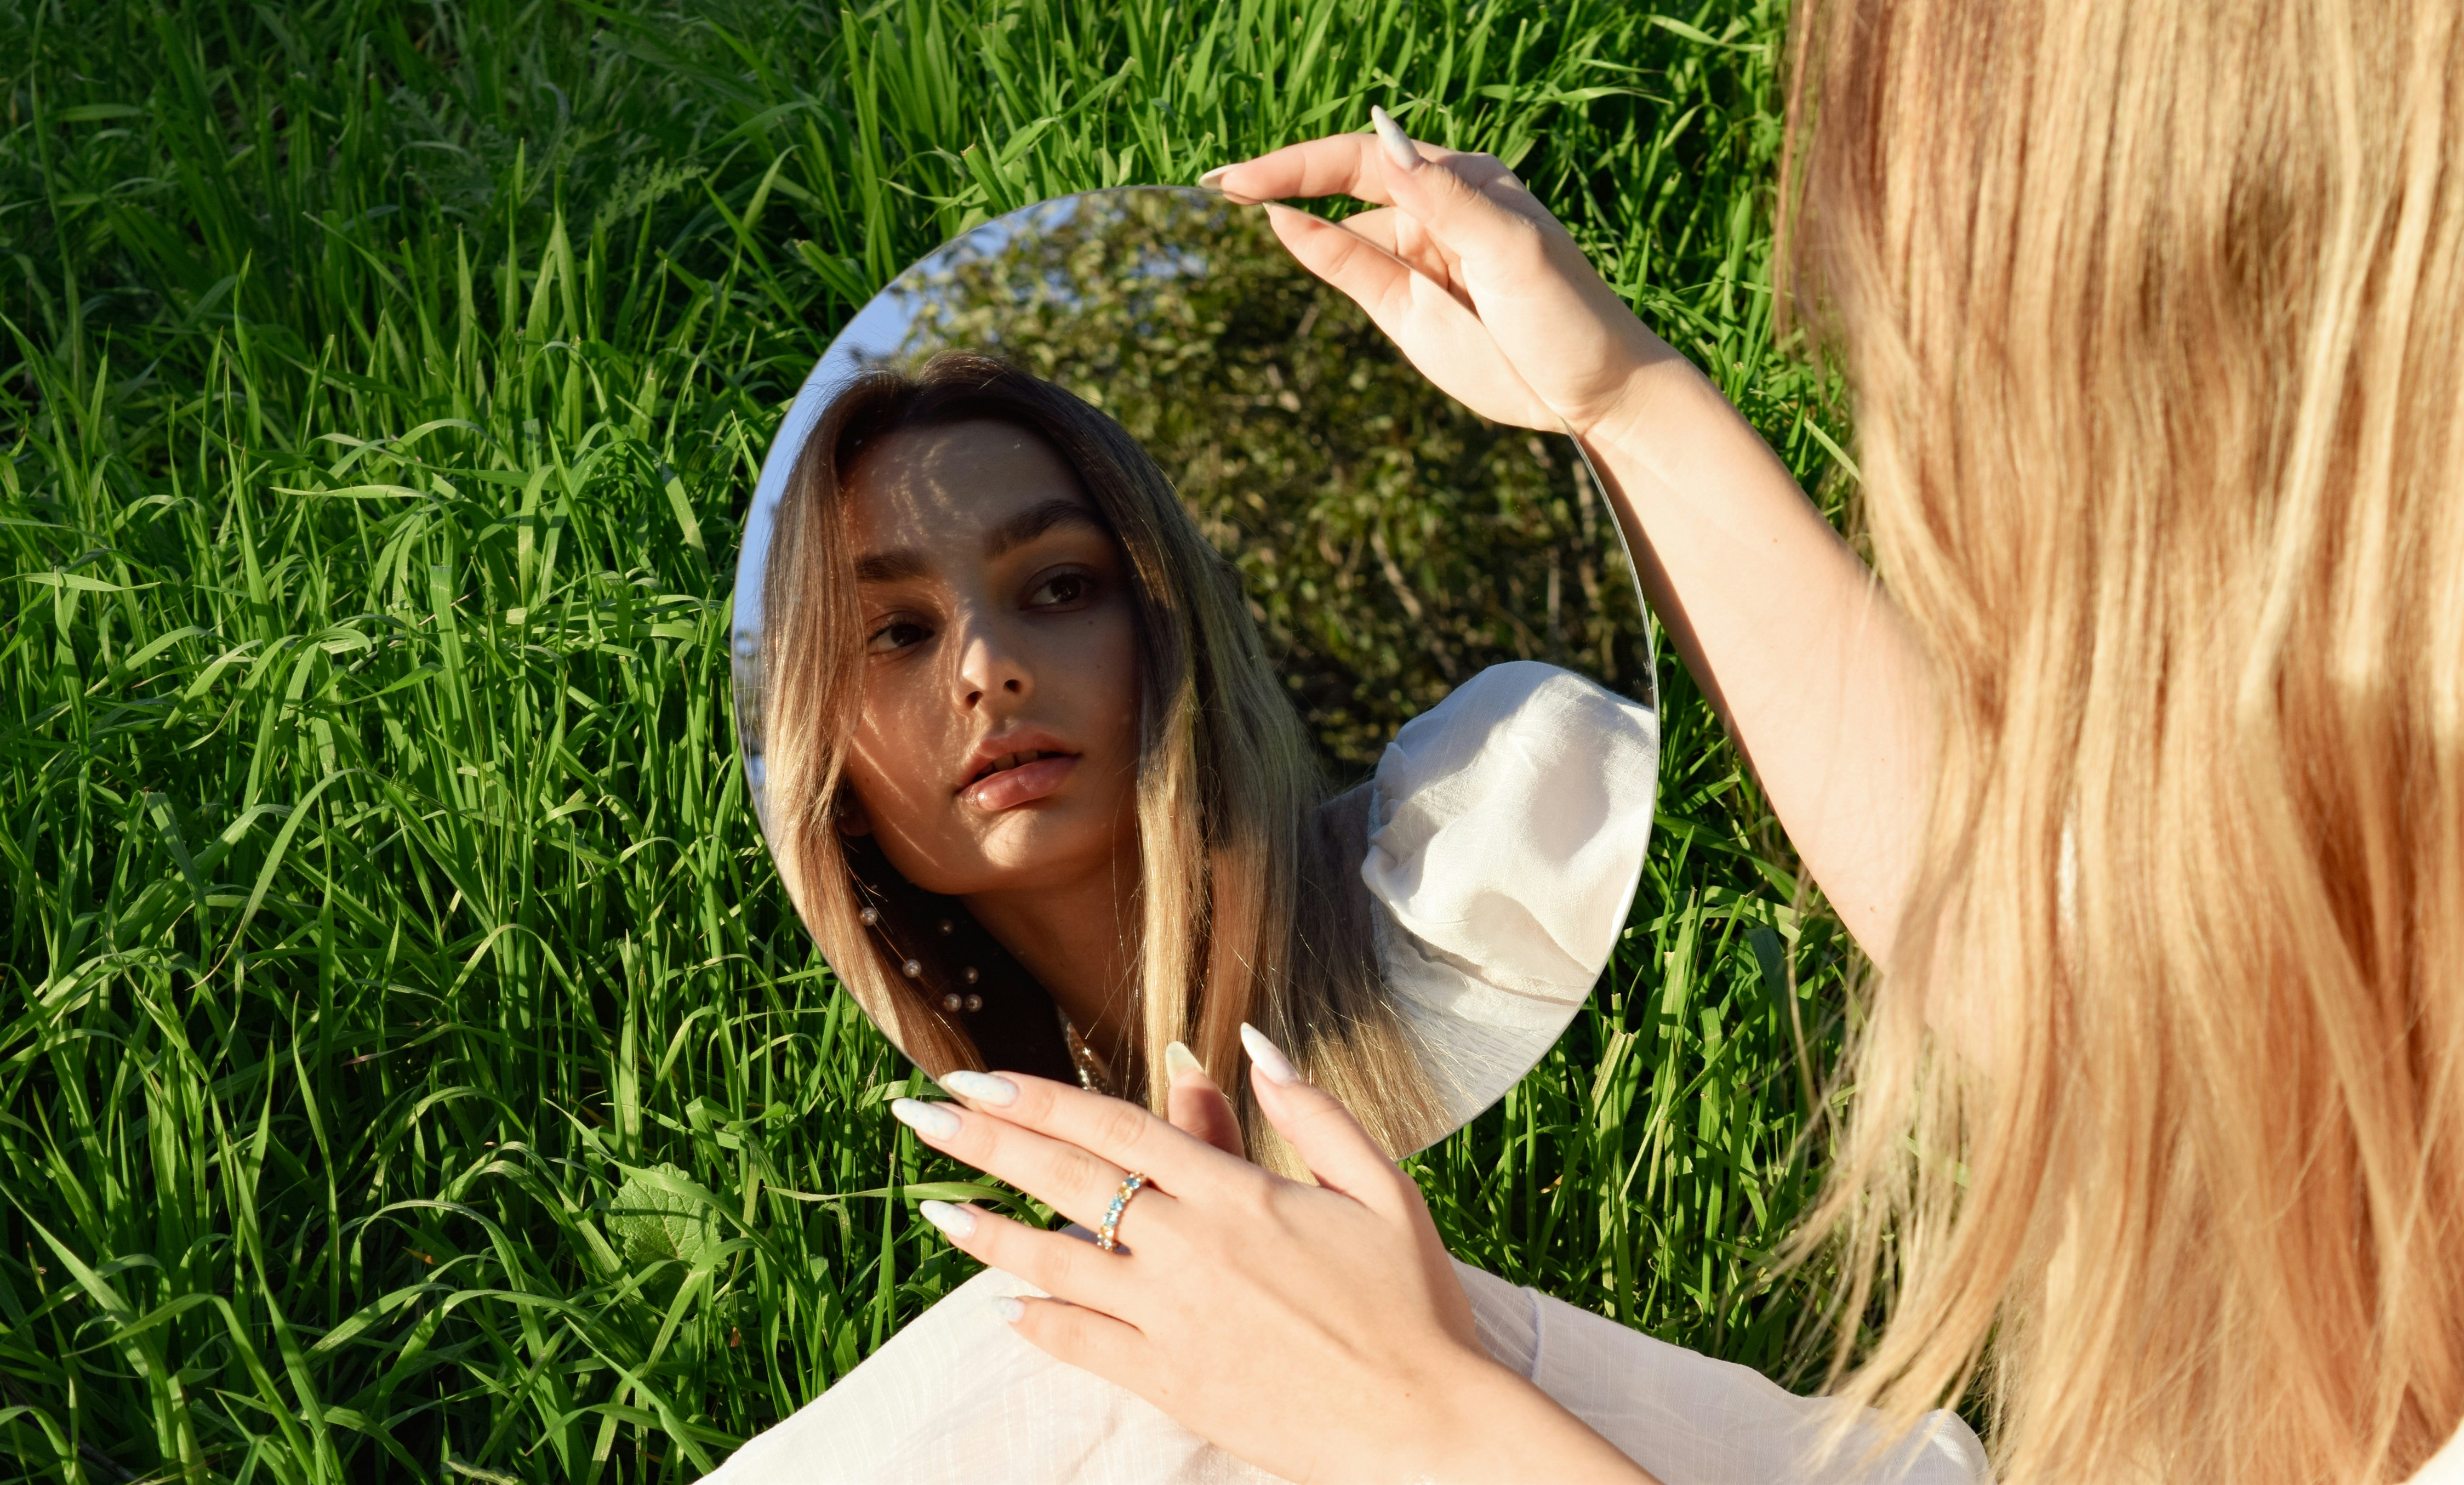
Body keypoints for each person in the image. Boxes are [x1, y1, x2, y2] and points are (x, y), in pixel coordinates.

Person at [876, 0, 2464, 1483]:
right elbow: (2137, 997)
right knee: (1101, 1365)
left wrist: (1423, 1427)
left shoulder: (1464, 866)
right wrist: (1623, 403)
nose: (1863, 333)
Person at [718, 361, 1986, 1481]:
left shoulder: (1475, 853)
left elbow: (2001, 939)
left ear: (1168, 631)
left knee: (1098, 1331)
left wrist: (1415, 1421)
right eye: (894, 631)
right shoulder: (1030, 1073)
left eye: (1058, 586)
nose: (984, 666)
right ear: (821, 755)